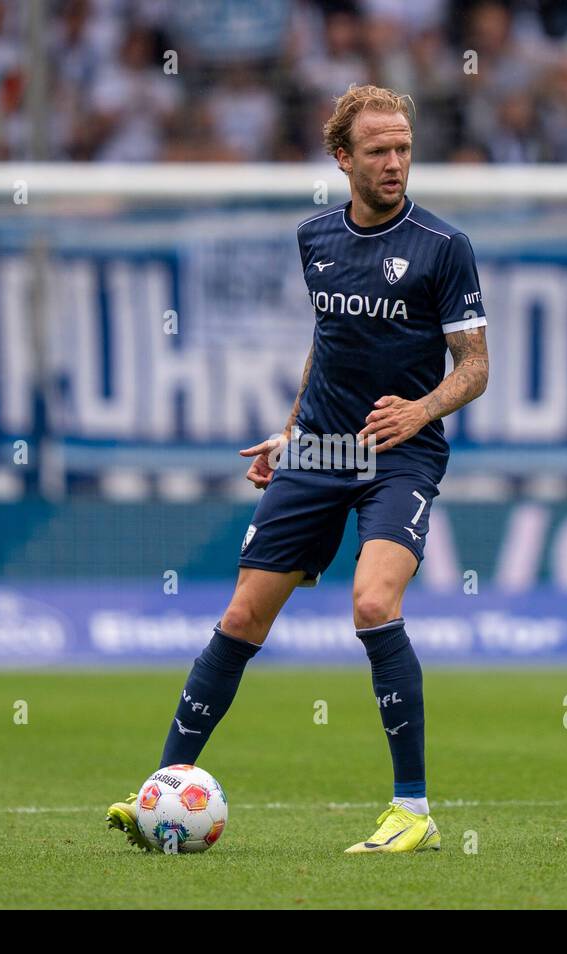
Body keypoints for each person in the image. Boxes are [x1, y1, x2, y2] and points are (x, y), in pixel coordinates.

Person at [107, 84, 489, 852]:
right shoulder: (316, 238)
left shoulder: (443, 247)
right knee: (243, 617)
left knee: (375, 603)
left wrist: (420, 411)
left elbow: (475, 366)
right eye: (378, 150)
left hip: (400, 451)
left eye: (404, 148)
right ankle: (159, 793)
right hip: (319, 449)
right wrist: (290, 434)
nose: (394, 162)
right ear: (341, 157)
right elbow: (330, 342)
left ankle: (412, 811)